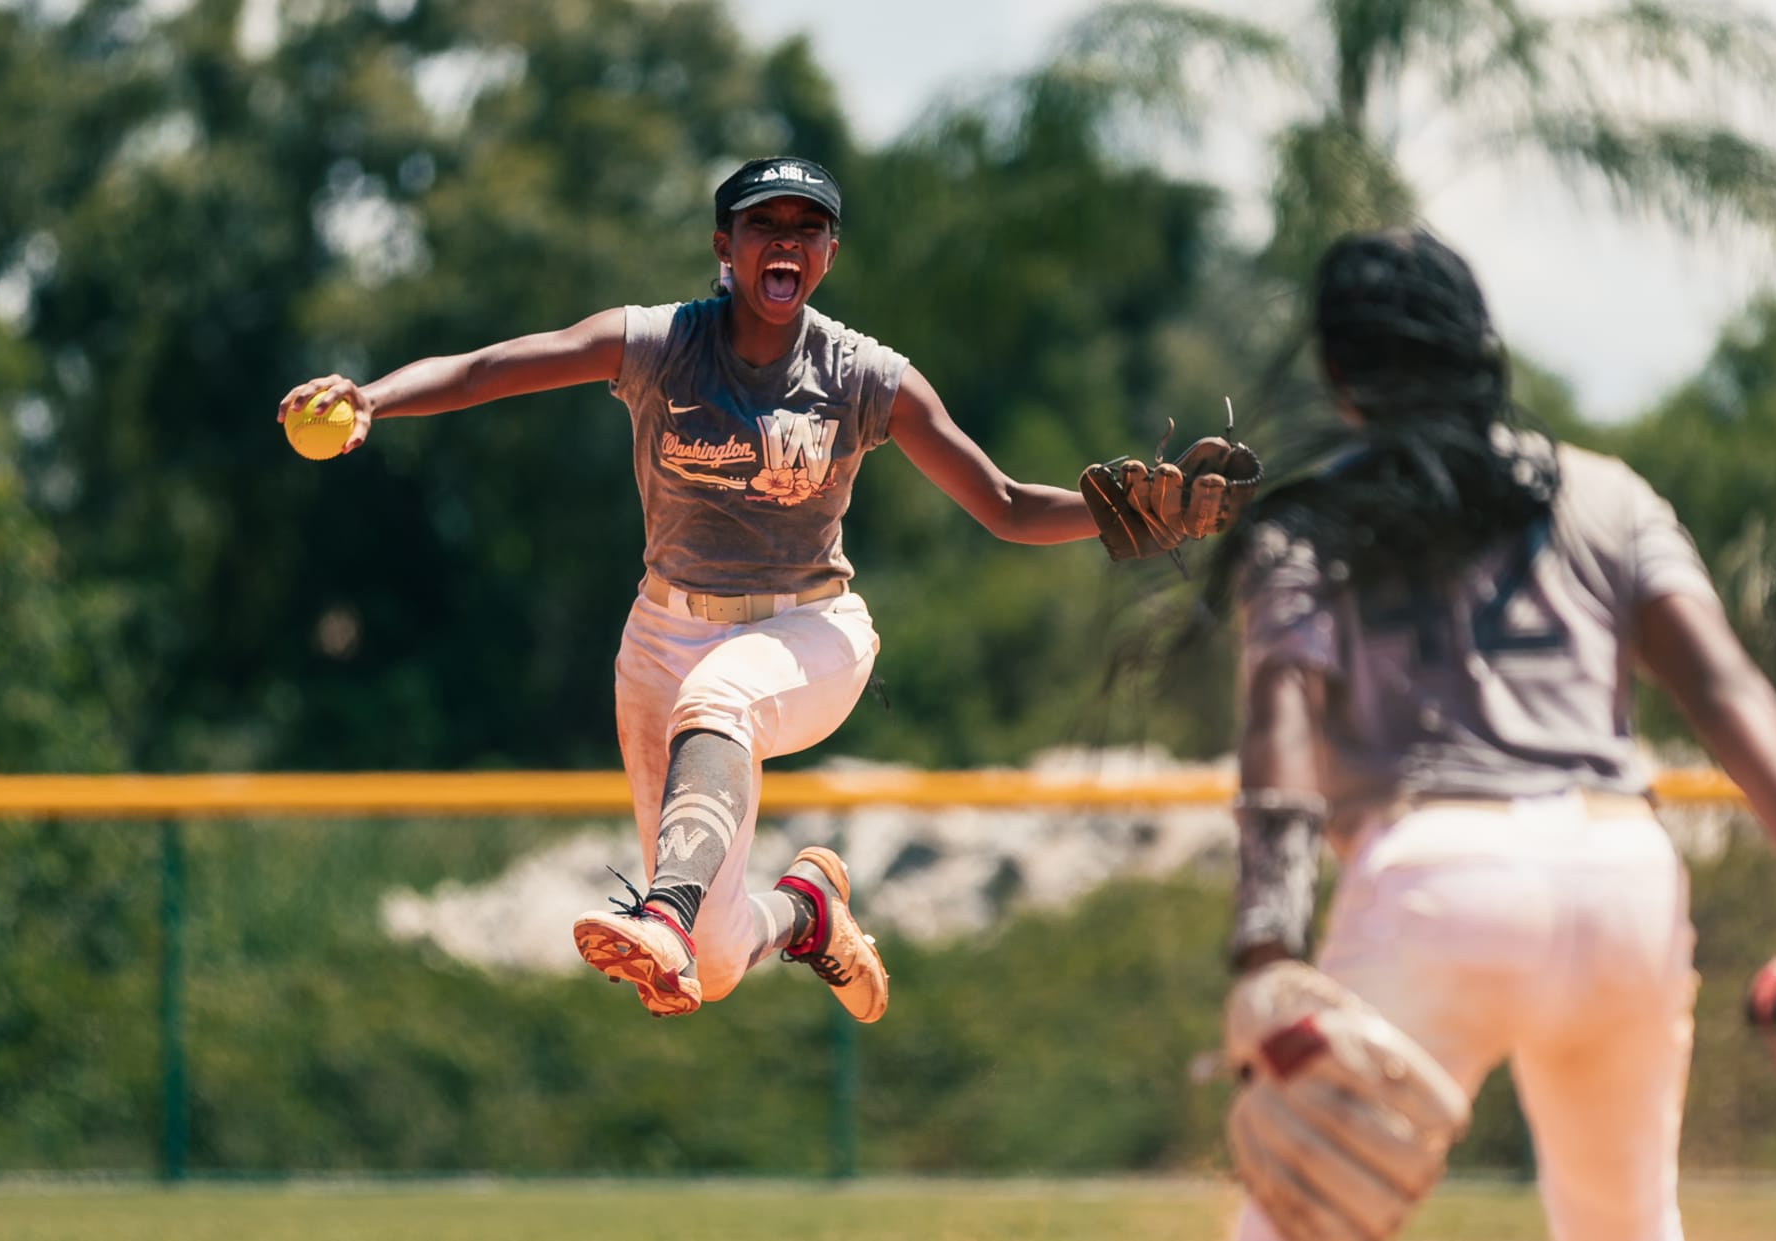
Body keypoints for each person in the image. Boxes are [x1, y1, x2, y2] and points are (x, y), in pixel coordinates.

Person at [279, 156, 1166, 1024]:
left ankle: (658, 912)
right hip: (662, 636)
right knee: (715, 958)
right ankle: (805, 911)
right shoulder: (661, 346)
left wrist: (1136, 516)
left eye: (808, 227)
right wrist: (371, 398)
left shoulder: (864, 376)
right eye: (764, 225)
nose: (787, 241)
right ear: (724, 245)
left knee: (718, 711)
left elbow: (1007, 505)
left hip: (811, 632)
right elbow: (492, 368)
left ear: (829, 253)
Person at [1216, 227, 1776, 1240]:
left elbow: (1277, 718)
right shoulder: (1605, 491)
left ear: (1337, 368)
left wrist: (1266, 941)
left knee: (1293, 1223)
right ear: (1480, 344)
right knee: (1625, 1222)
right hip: (1621, 873)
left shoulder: (1311, 517)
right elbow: (1725, 688)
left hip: (1436, 873)